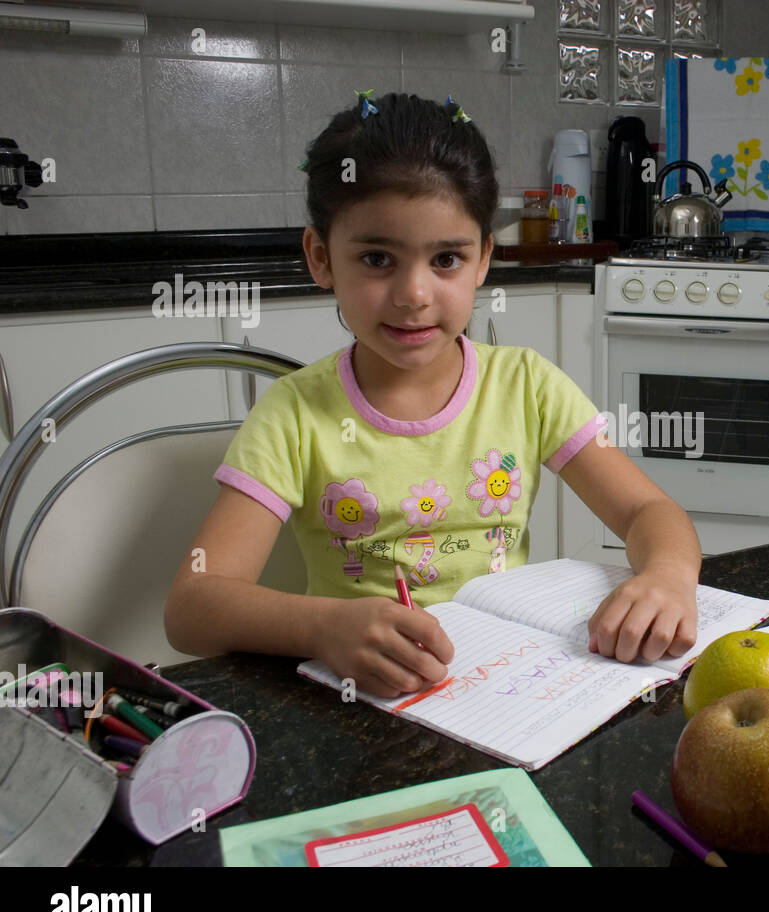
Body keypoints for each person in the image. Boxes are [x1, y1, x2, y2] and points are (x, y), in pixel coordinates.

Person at [164, 92, 701, 698]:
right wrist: (323, 628)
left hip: (509, 689)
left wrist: (669, 576)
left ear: (483, 260)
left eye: (446, 258)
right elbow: (193, 605)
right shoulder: (293, 414)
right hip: (363, 702)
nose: (414, 293)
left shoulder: (527, 387)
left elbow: (649, 513)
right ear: (322, 258)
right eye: (376, 258)